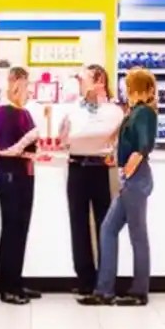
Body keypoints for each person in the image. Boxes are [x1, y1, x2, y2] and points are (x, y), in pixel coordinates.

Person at [78, 68, 159, 307]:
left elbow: (142, 148)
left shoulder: (144, 112)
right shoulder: (135, 111)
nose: (124, 89)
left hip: (136, 178)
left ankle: (138, 292)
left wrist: (126, 172)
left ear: (137, 87)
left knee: (137, 236)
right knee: (108, 229)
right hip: (131, 178)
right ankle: (105, 290)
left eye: (128, 85)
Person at [57, 64, 123, 295]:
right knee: (78, 225)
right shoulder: (74, 107)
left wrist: (80, 133)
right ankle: (85, 279)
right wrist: (71, 134)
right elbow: (65, 138)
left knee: (104, 225)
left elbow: (96, 133)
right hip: (76, 167)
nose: (80, 83)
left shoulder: (113, 110)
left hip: (99, 169)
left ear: (99, 80)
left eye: (84, 79)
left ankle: (104, 281)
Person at [0, 67, 41, 305]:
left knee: (21, 230)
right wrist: (25, 143)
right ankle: (7, 287)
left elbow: (30, 148)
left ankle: (16, 281)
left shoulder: (26, 113)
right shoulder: (1, 112)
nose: (28, 90)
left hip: (26, 175)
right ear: (15, 84)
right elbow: (2, 150)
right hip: (9, 176)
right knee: (11, 229)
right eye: (25, 85)